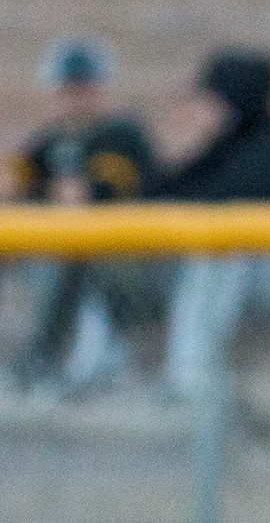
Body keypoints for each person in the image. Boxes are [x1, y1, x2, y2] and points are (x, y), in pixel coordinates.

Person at [154, 47, 270, 399]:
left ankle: (189, 384)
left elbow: (226, 203)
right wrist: (177, 148)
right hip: (259, 274)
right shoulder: (228, 142)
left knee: (225, 247)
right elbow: (166, 192)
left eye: (214, 98)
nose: (208, 108)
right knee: (211, 250)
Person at [7, 36, 159, 394]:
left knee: (70, 257)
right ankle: (38, 364)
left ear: (100, 89)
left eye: (83, 88)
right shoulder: (55, 138)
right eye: (67, 90)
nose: (75, 99)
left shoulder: (122, 134)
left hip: (126, 263)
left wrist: (45, 190)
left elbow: (93, 193)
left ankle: (51, 362)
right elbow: (19, 177)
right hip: (67, 256)